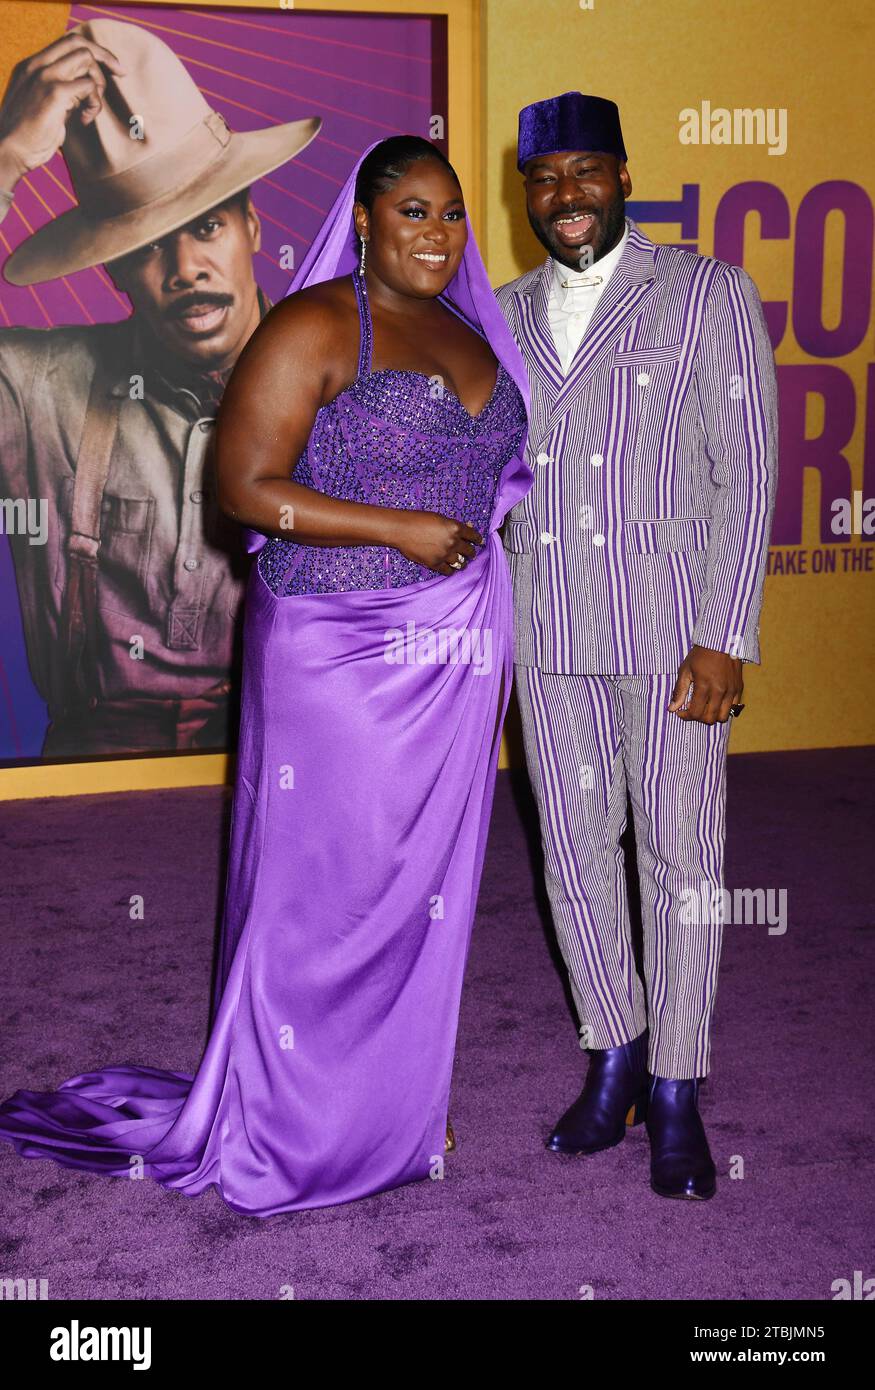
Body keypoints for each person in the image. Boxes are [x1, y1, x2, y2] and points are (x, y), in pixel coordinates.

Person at [0, 136, 532, 1216]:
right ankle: (290, 1119)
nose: (435, 234)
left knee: (419, 896)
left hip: (454, 650)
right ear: (367, 221)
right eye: (411, 213)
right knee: (326, 890)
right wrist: (395, 527)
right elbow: (242, 486)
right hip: (339, 649)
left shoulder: (469, 325)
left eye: (450, 214)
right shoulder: (316, 322)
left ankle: (389, 1104)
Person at [496, 92, 777, 1199]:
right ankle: (609, 1051)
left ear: (621, 174)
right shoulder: (504, 309)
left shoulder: (704, 290)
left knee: (680, 856)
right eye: (542, 181)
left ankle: (674, 1084)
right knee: (571, 850)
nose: (563, 198)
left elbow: (745, 474)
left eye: (581, 173)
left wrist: (723, 634)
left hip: (670, 635)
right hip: (546, 623)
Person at [0, 18, 320, 755]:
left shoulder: (344, 389)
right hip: (89, 787)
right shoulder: (40, 389)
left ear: (249, 223)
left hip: (288, 766)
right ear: (110, 269)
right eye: (146, 248)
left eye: (207, 227)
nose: (185, 269)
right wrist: (9, 156)